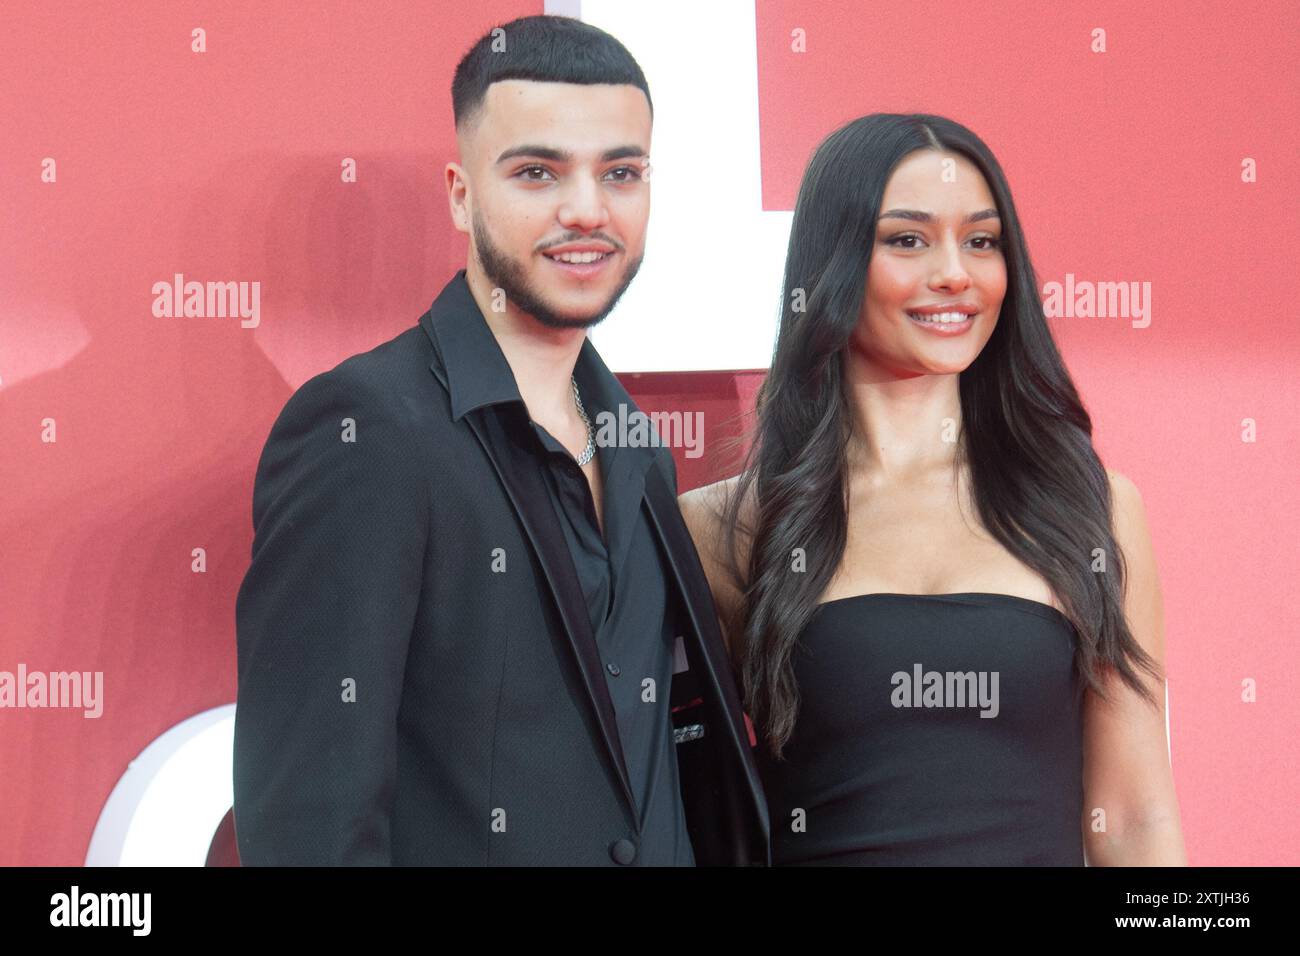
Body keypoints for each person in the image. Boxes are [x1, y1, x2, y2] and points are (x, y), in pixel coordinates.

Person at [233, 13, 768, 866]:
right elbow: (311, 820)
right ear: (461, 193)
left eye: (621, 172)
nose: (587, 210)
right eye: (536, 172)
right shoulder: (364, 432)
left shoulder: (639, 448)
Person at [680, 113, 1186, 866]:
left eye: (981, 241)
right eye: (907, 239)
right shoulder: (727, 524)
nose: (955, 272)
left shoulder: (1093, 506)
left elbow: (1137, 816)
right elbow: (689, 803)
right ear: (835, 263)